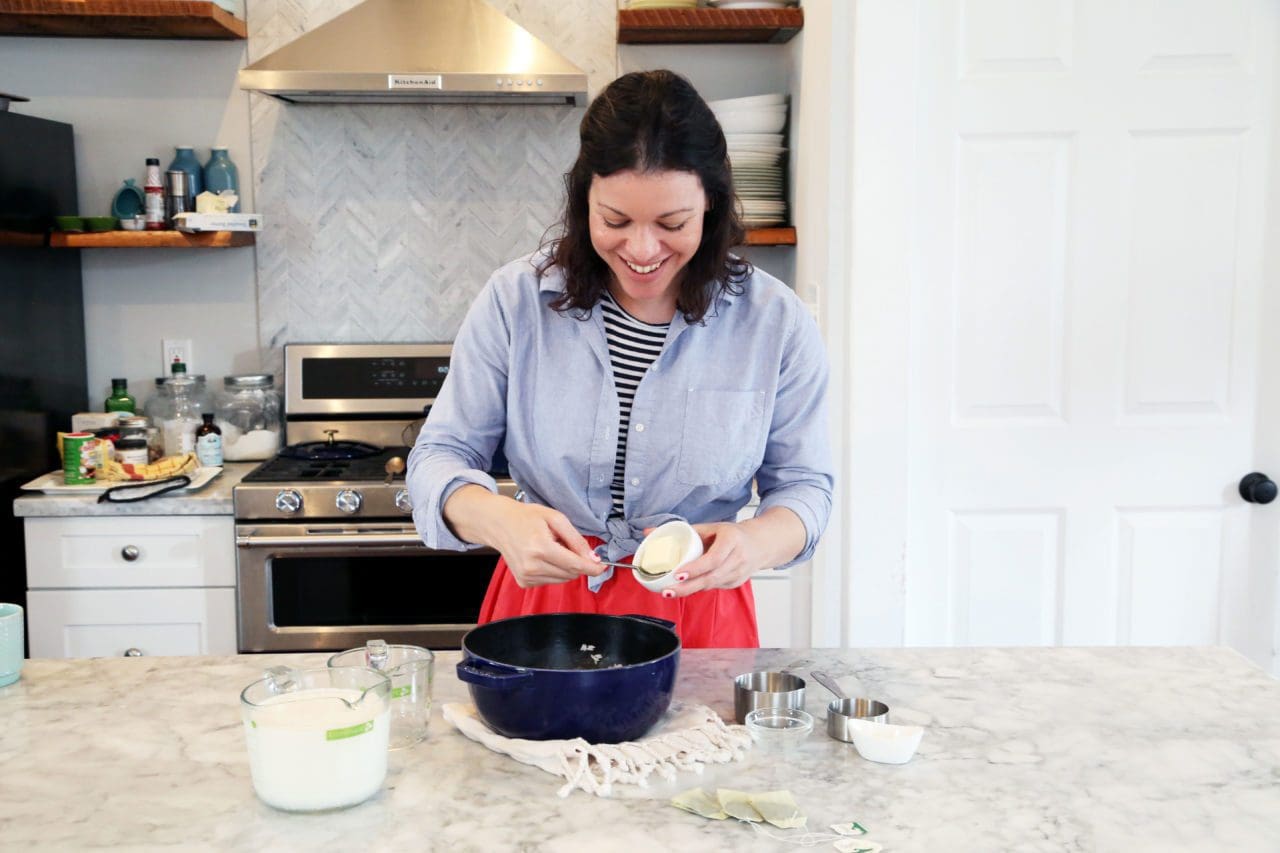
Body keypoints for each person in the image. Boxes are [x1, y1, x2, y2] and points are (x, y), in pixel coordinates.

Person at [406, 69, 832, 649]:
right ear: (584, 200)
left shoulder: (774, 323)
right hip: (541, 611)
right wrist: (500, 520)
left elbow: (805, 487)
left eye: (672, 224)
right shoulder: (517, 301)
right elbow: (438, 457)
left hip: (698, 613)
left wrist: (754, 543)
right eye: (615, 221)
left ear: (712, 205)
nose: (642, 250)